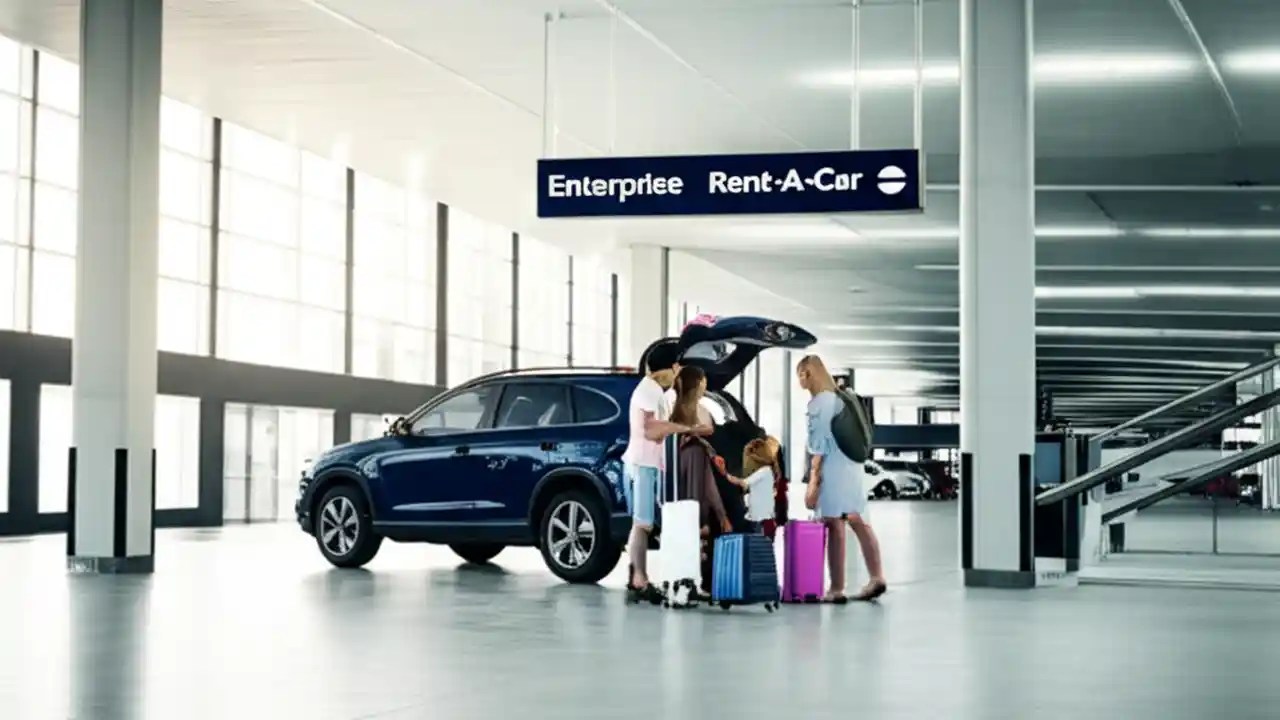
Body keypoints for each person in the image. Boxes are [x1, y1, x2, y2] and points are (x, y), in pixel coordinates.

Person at [797, 354, 887, 603]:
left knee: (834, 525)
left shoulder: (819, 404)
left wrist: (813, 482)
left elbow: (818, 447)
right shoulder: (843, 398)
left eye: (801, 375)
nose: (800, 381)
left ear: (810, 374)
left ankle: (836, 589)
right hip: (854, 469)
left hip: (833, 470)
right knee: (859, 521)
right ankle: (877, 577)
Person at [622, 358, 693, 600]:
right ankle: (638, 579)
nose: (676, 375)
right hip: (642, 463)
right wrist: (685, 429)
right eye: (675, 369)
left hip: (649, 463)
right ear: (666, 367)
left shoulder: (656, 391)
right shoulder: (648, 390)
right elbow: (651, 429)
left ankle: (639, 577)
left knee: (647, 523)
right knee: (642, 523)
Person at [732, 436, 782, 535]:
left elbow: (743, 482)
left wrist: (725, 474)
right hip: (760, 519)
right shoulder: (767, 472)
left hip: (761, 520)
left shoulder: (764, 471)